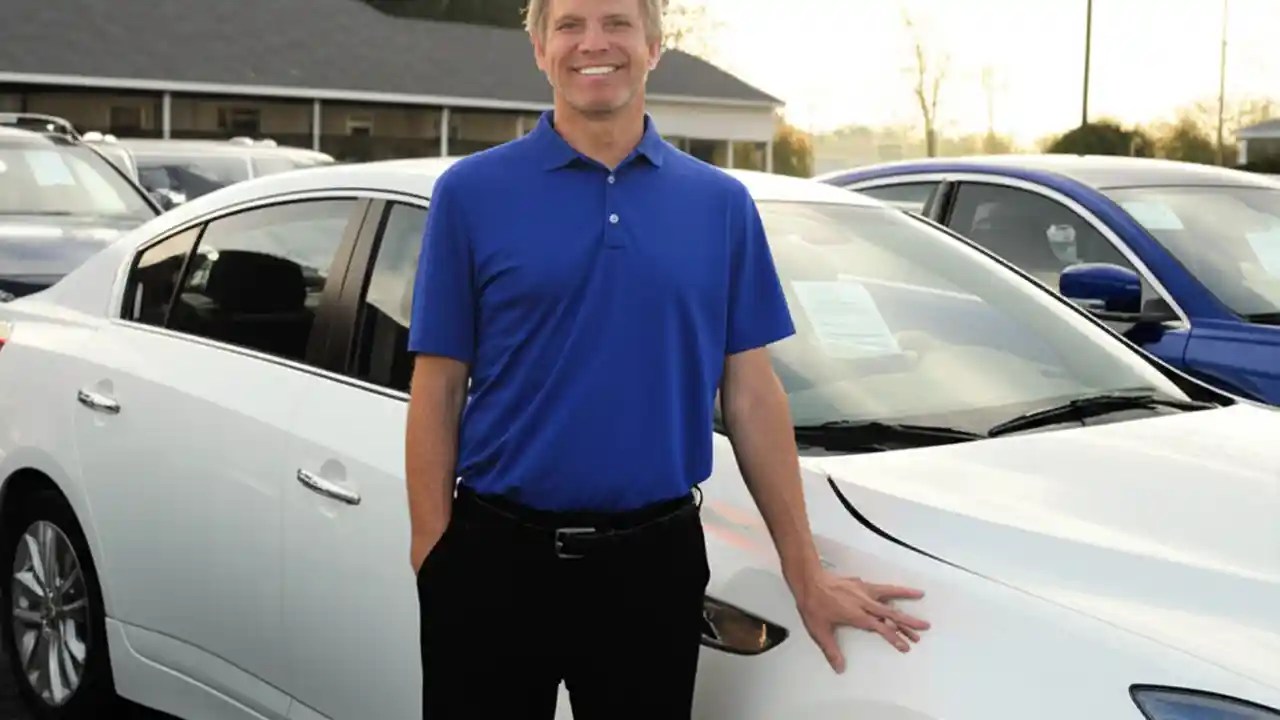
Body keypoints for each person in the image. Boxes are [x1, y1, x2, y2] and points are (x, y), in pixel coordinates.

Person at [404, 0, 931, 717]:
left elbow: (752, 396)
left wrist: (804, 571)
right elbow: (437, 388)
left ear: (654, 46)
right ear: (540, 49)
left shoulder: (720, 205)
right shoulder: (471, 195)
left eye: (618, 22)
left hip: (652, 569)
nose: (594, 43)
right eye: (570, 25)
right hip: (495, 558)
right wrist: (434, 555)